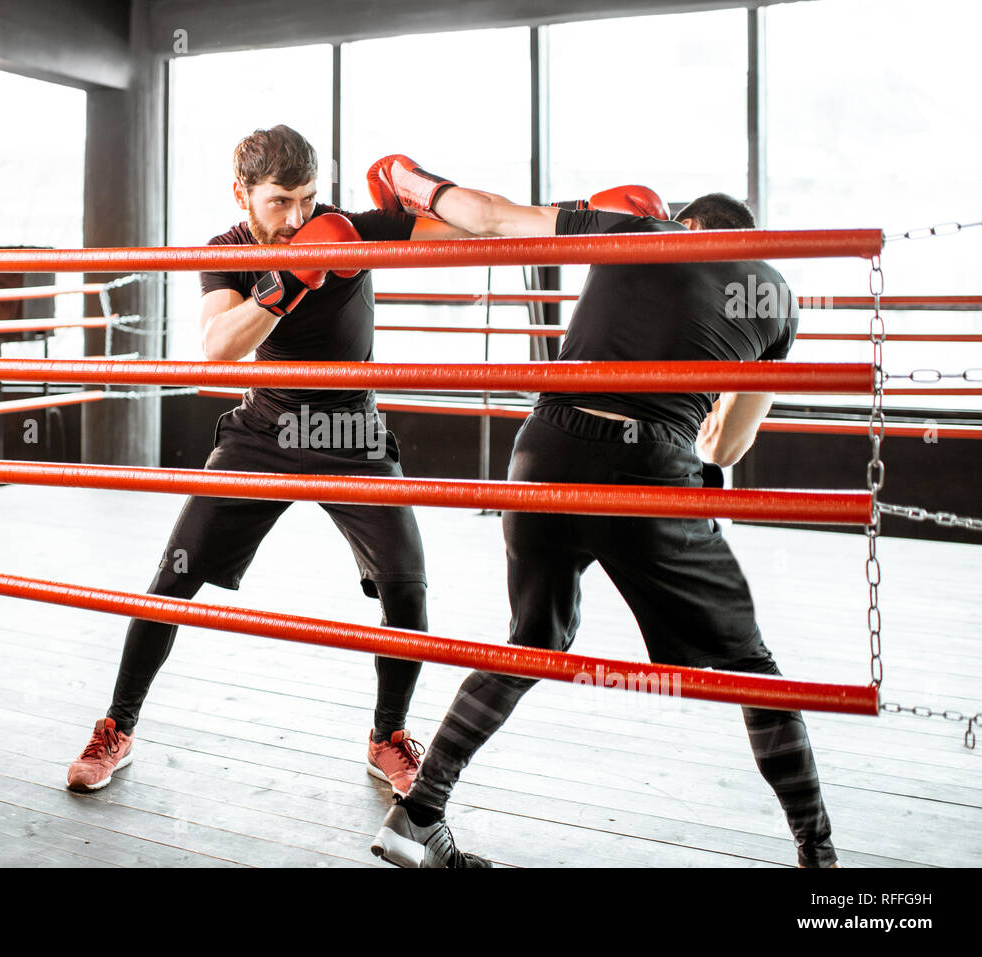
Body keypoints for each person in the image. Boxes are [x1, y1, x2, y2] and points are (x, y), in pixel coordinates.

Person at [365, 156, 837, 869]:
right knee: (752, 666)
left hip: (545, 446)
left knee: (533, 642)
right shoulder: (775, 297)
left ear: (686, 224)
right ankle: (820, 858)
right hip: (647, 465)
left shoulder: (635, 228)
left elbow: (491, 217)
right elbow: (730, 445)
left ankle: (418, 813)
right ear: (750, 242)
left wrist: (415, 183)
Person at [66, 128, 474, 798]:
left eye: (307, 200)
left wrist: (419, 191)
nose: (297, 219)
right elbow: (217, 346)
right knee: (174, 575)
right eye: (281, 201)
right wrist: (286, 280)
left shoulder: (347, 229)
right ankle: (118, 725)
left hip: (352, 433)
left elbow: (468, 240)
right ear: (243, 194)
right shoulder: (227, 251)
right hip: (264, 433)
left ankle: (388, 736)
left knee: (408, 582)